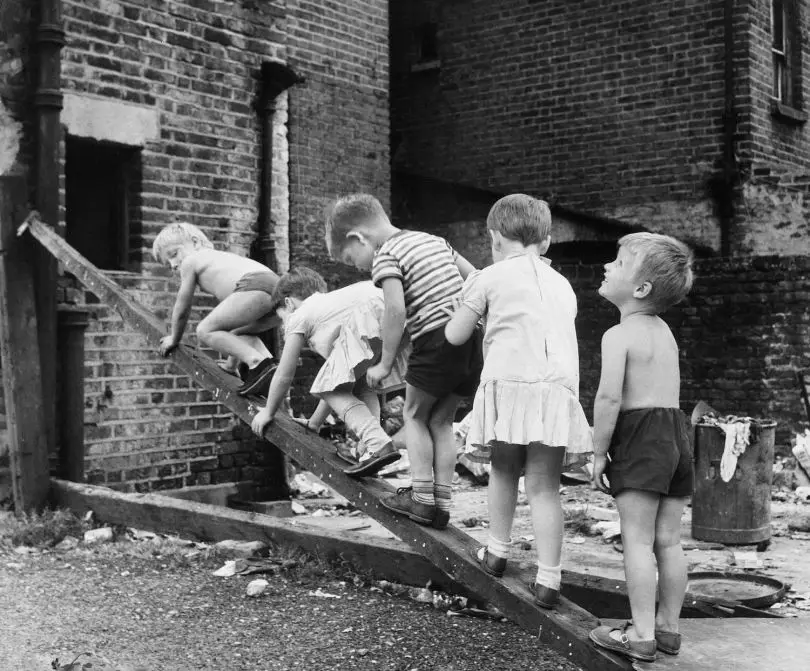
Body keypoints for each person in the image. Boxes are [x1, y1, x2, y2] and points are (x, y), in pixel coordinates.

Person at [444, 194, 592, 609]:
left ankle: (496, 552)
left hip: (509, 387)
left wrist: (469, 311)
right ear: (545, 243)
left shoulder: (488, 278)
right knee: (545, 488)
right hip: (555, 391)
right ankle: (549, 580)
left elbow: (455, 335)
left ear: (493, 237)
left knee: (504, 471)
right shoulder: (563, 285)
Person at [325, 194, 481, 529]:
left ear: (358, 237)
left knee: (413, 414)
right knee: (441, 422)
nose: (362, 268)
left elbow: (396, 310)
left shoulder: (387, 254)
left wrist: (385, 363)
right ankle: (441, 501)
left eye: (353, 260)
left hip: (436, 341)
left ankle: (422, 500)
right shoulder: (434, 241)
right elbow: (477, 278)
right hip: (470, 340)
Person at [588, 232, 695, 663]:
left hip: (642, 436)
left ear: (640, 289)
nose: (606, 266)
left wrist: (598, 453)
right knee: (668, 541)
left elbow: (610, 398)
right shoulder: (665, 332)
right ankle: (669, 629)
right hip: (675, 435)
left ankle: (641, 635)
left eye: (617, 262)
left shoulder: (618, 335)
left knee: (636, 539)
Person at [249, 267, 407, 477]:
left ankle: (377, 443)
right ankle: (367, 449)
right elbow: (337, 383)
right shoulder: (332, 306)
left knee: (329, 387)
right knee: (359, 386)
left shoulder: (300, 314)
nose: (283, 325)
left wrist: (268, 412)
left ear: (288, 303)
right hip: (395, 315)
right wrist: (314, 423)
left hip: (371, 312)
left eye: (281, 318)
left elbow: (284, 374)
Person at [152, 222, 279, 396]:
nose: (173, 264)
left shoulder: (191, 261)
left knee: (205, 330)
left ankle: (257, 361)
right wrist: (230, 366)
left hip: (254, 284)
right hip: (277, 292)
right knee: (238, 333)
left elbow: (182, 306)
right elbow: (234, 329)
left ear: (195, 242)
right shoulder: (220, 258)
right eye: (168, 264)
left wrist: (174, 338)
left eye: (173, 254)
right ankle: (272, 375)